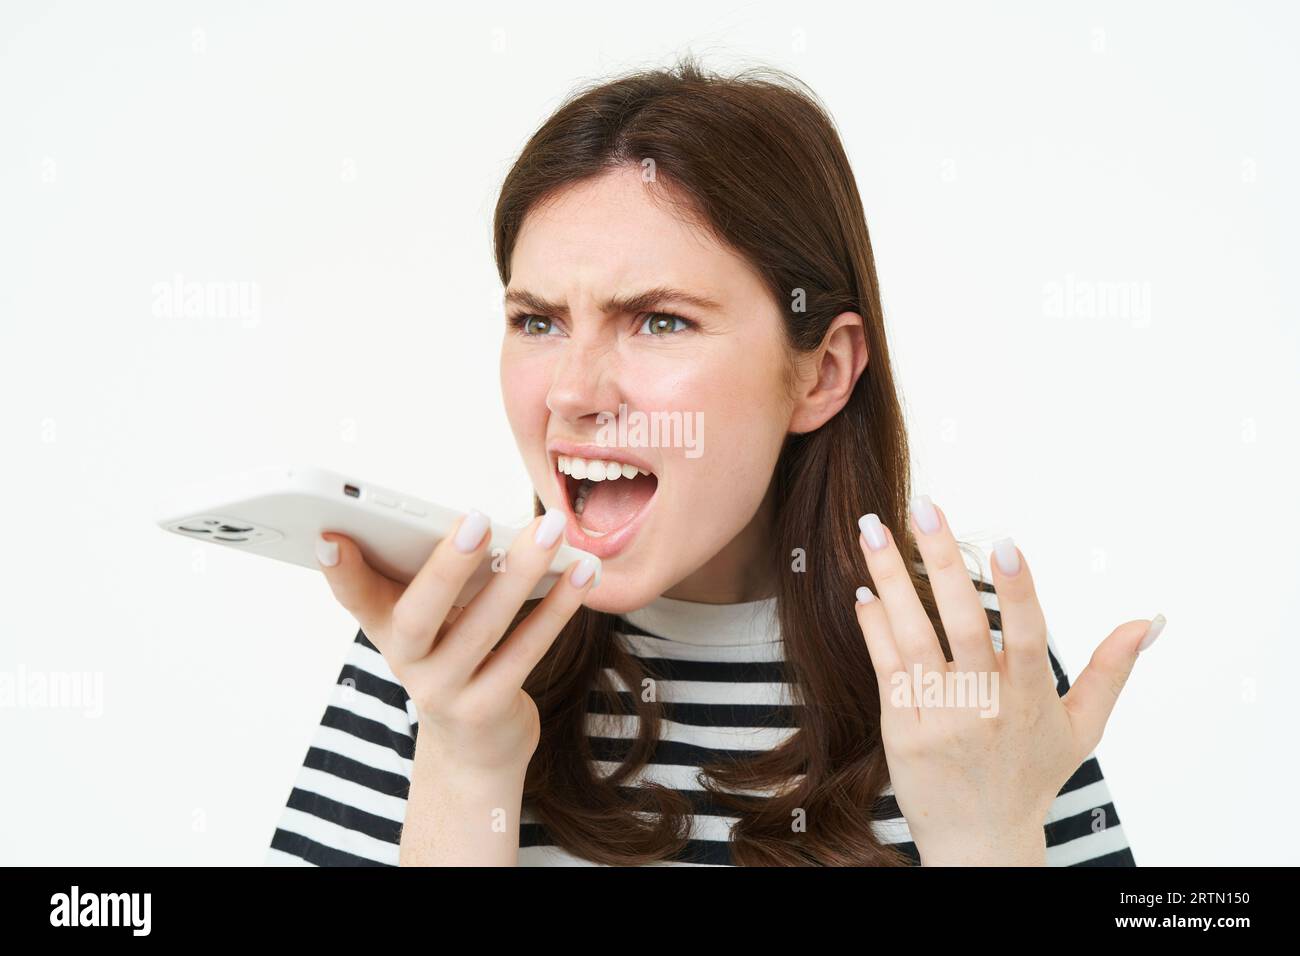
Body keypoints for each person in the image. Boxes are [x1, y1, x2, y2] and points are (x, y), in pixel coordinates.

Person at [267, 56, 1159, 866]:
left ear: (822, 372)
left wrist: (986, 840)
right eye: (537, 320)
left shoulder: (965, 662)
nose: (573, 393)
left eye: (661, 321)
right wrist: (465, 763)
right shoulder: (442, 647)